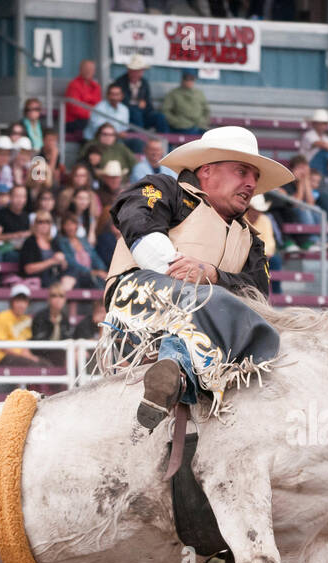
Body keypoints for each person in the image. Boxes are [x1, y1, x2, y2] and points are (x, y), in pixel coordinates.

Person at [107, 126, 292, 429]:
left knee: (254, 318)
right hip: (136, 302)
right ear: (206, 170)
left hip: (211, 317)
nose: (251, 184)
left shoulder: (251, 238)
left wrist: (213, 275)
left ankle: (178, 375)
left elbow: (258, 293)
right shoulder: (167, 189)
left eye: (255, 177)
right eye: (242, 171)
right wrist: (185, 272)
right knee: (214, 299)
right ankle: (175, 370)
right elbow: (137, 222)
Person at [0, 283, 48, 366]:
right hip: (3, 357)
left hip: (21, 357)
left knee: (46, 365)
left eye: (24, 301)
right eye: (18, 300)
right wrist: (25, 355)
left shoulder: (26, 319)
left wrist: (30, 356)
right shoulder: (2, 317)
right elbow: (2, 346)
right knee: (33, 366)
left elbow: (25, 344)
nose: (21, 305)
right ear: (12, 302)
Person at [111, 55, 167, 133]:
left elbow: (149, 104)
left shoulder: (144, 83)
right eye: (133, 70)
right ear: (128, 70)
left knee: (160, 117)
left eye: (138, 71)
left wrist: (144, 107)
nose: (135, 73)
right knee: (135, 113)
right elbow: (121, 103)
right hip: (128, 116)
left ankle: (163, 142)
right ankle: (141, 140)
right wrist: (138, 105)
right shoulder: (120, 82)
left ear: (142, 71)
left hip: (143, 115)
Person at [162, 71, 209, 135]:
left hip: (199, 126)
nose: (189, 81)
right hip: (182, 127)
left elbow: (206, 110)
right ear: (182, 80)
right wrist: (176, 122)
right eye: (187, 79)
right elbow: (165, 111)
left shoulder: (199, 93)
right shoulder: (174, 93)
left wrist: (203, 121)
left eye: (192, 79)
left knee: (209, 137)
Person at [65, 60, 101, 139]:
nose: (88, 71)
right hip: (73, 121)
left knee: (105, 127)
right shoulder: (73, 85)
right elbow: (75, 109)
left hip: (89, 120)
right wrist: (92, 112)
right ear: (80, 70)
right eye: (86, 69)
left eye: (91, 69)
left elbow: (98, 106)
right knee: (92, 126)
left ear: (94, 72)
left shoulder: (96, 86)